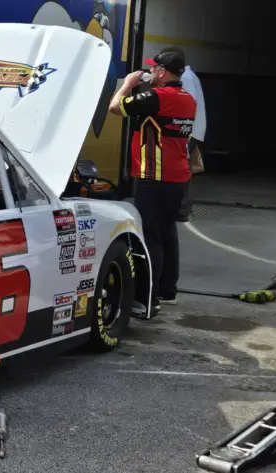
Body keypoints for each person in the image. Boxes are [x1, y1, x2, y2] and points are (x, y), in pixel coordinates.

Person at [108, 51, 196, 313]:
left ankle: (148, 297)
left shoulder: (158, 97)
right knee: (168, 233)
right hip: (178, 176)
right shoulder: (187, 98)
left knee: (150, 236)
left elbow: (115, 107)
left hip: (153, 177)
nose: (151, 72)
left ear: (162, 72)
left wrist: (128, 83)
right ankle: (168, 291)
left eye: (154, 69)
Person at [160, 47, 206, 222]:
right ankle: (183, 208)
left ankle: (182, 209)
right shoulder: (190, 76)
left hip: (187, 131)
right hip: (192, 131)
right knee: (183, 170)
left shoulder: (185, 78)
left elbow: (186, 104)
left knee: (181, 171)